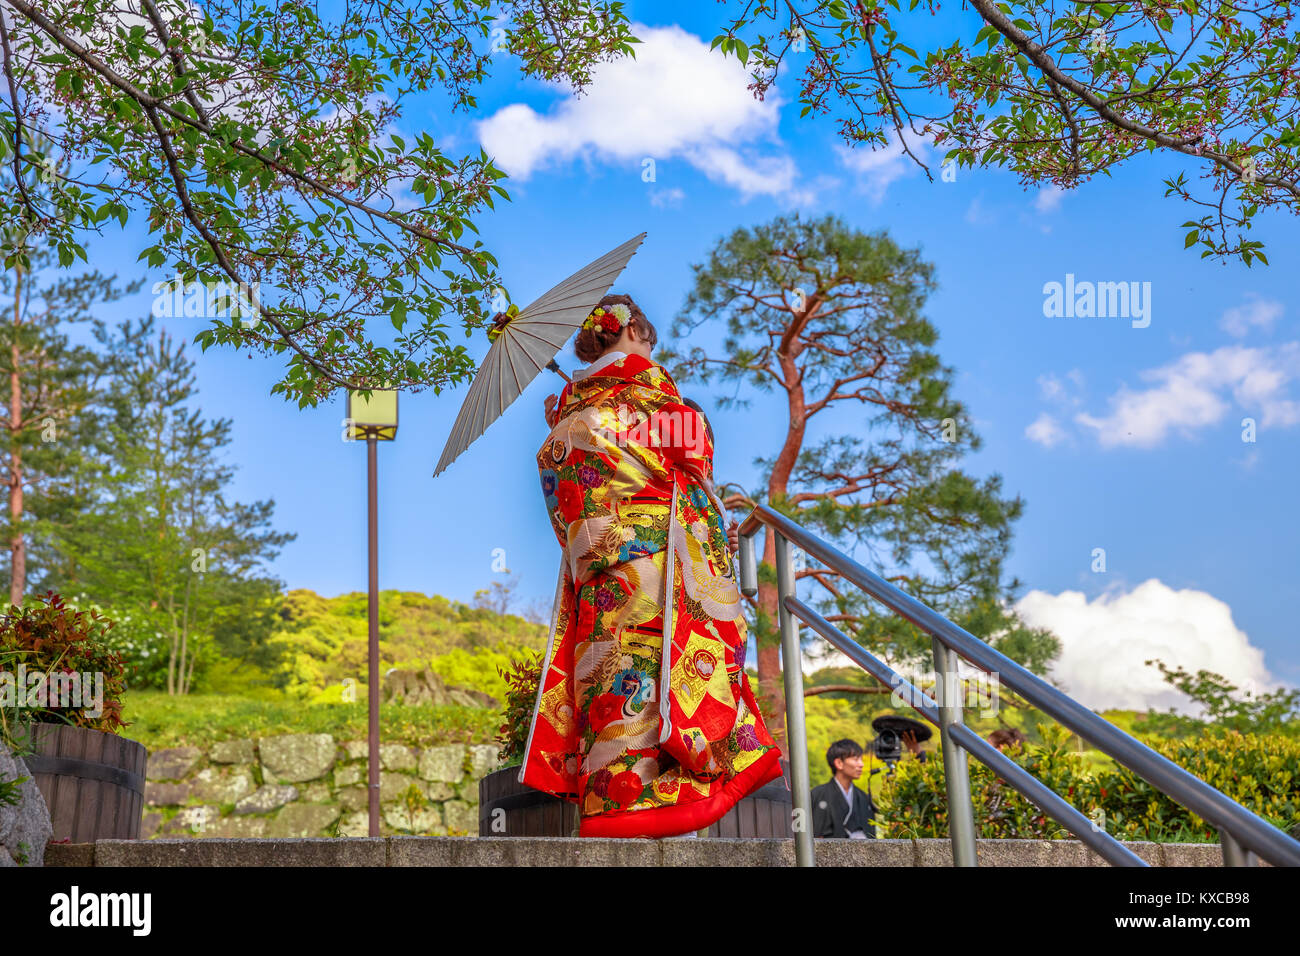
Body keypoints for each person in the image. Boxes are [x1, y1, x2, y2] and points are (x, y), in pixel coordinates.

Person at [520, 293, 783, 838]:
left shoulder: (566, 420)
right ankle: (674, 801)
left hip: (598, 574)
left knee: (607, 674)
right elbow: (696, 469)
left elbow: (565, 502)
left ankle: (610, 805)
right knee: (663, 674)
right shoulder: (656, 397)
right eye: (646, 334)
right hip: (661, 568)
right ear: (633, 330)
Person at [811, 739, 877, 839]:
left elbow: (871, 836)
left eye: (861, 759)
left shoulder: (863, 797)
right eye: (856, 759)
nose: (861, 764)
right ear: (839, 763)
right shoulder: (817, 795)